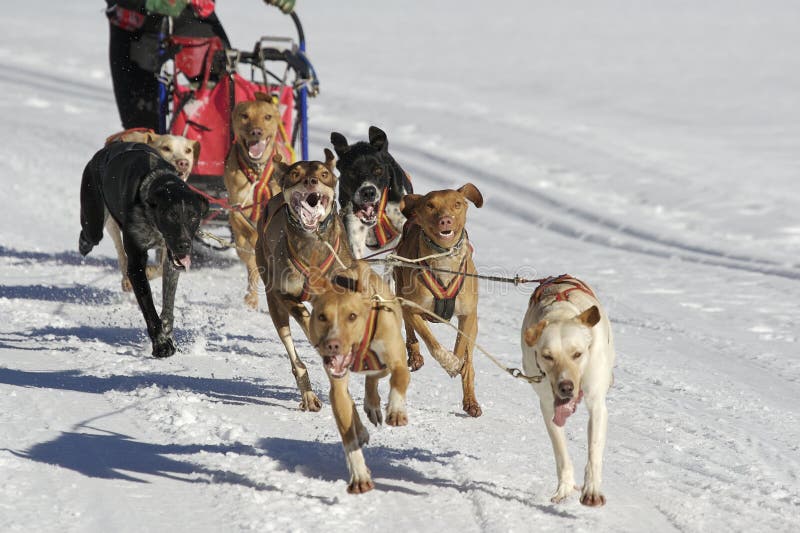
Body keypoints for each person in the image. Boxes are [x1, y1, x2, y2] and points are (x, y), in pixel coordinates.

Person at [105, 0, 295, 130]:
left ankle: (221, 166)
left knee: (224, 98)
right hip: (133, 21)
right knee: (140, 127)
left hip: (191, 15)